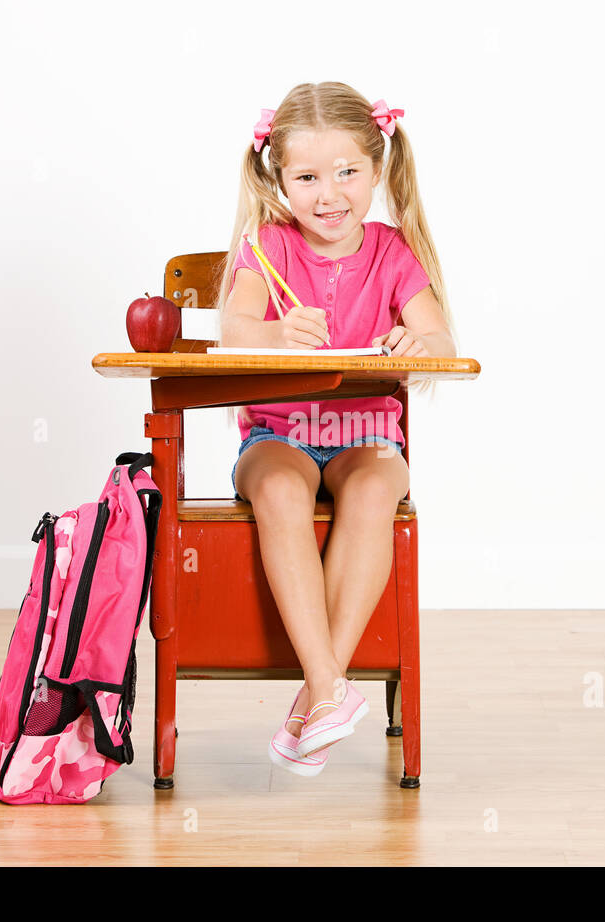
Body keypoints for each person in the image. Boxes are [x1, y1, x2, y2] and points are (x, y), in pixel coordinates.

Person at [215, 82, 458, 776]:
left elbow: (441, 341)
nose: (330, 194)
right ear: (279, 180)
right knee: (281, 491)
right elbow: (232, 330)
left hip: (364, 434)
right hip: (277, 436)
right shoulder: (266, 248)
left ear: (377, 171)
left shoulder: (392, 252)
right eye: (308, 177)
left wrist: (421, 345)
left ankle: (319, 694)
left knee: (378, 485)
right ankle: (327, 688)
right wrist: (272, 332)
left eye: (348, 171)